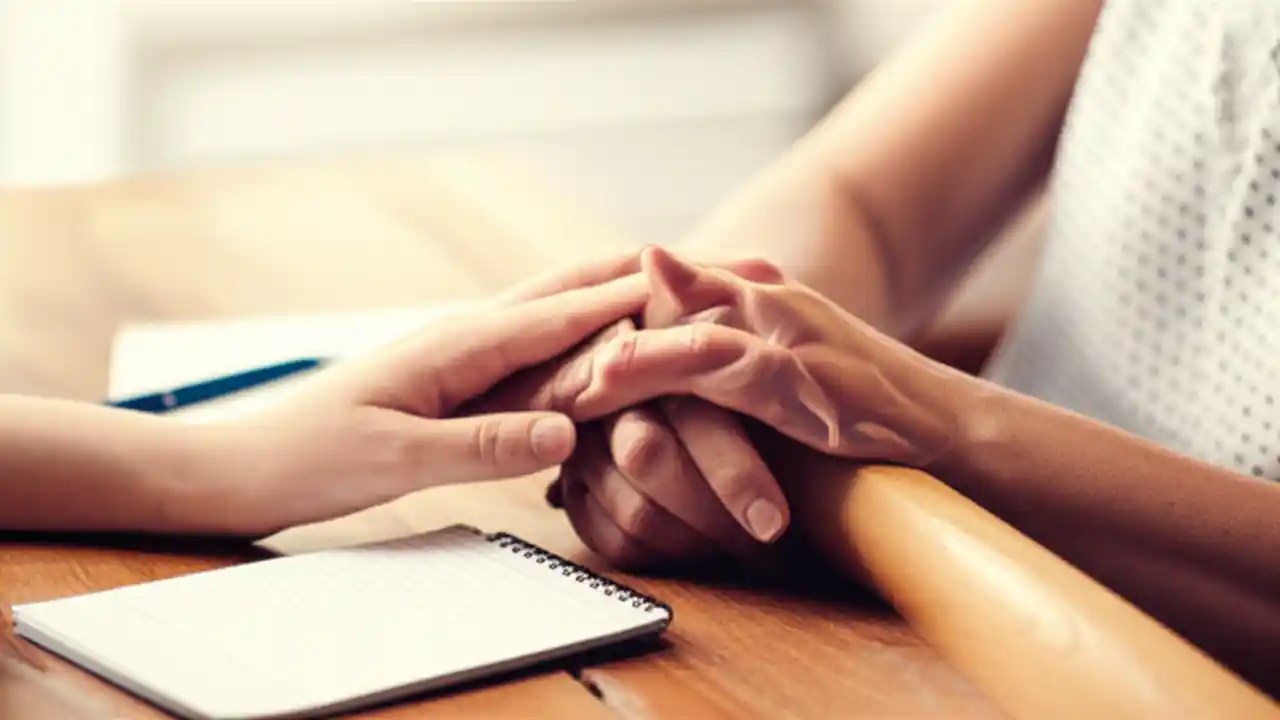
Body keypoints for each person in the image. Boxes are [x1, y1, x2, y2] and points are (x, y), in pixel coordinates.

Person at [493, 0, 1278, 692]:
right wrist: (702, 372)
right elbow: (865, 206)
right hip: (941, 592)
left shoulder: (942, 439)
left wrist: (945, 426)